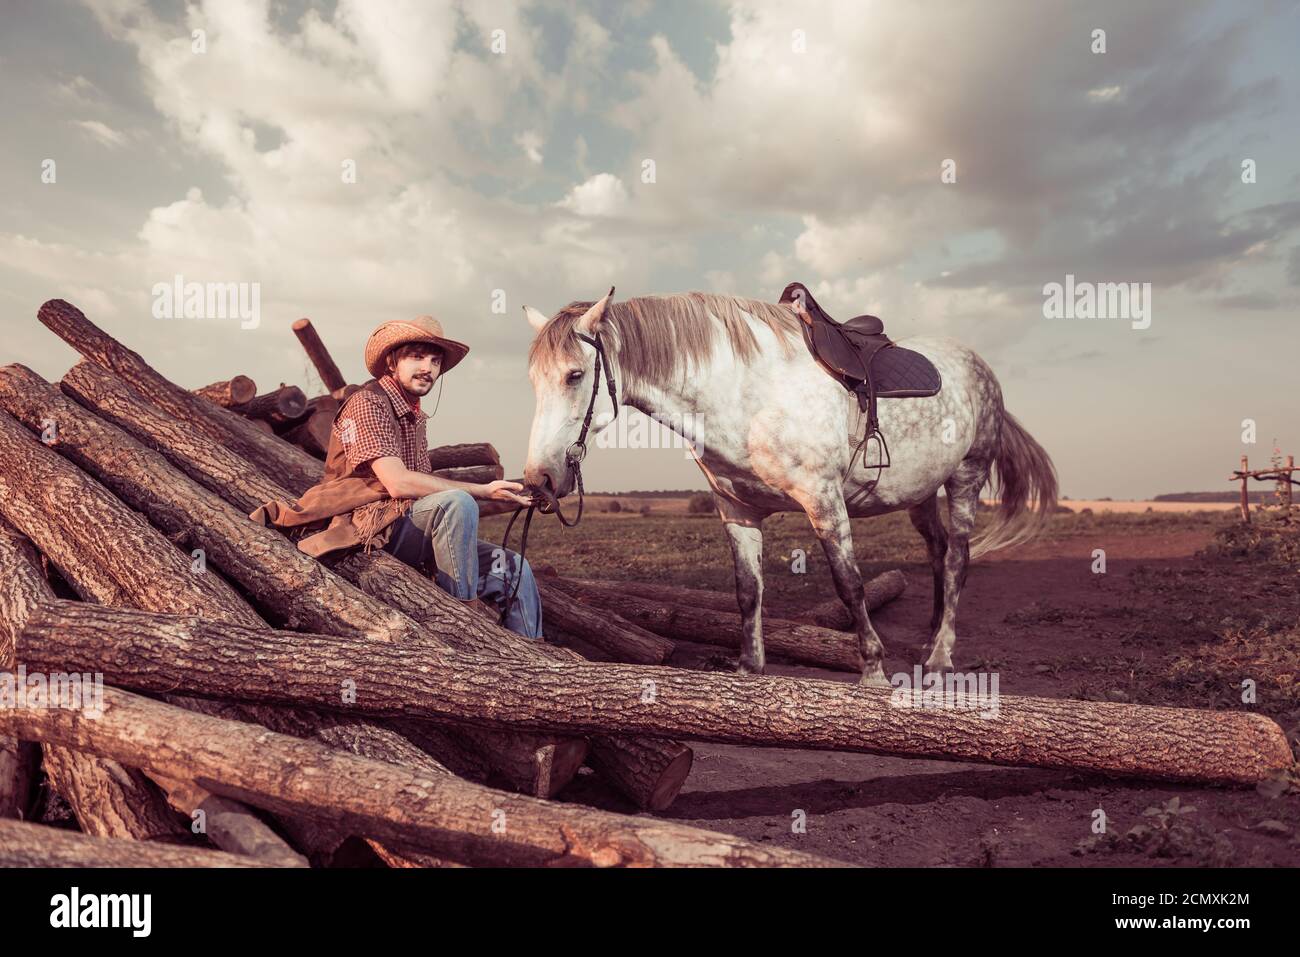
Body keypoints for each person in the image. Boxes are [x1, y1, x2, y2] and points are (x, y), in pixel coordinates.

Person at [249, 315, 542, 638]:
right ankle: (464, 625)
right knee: (456, 503)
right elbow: (397, 482)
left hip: (405, 520)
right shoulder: (367, 403)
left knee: (514, 569)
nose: (427, 368)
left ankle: (535, 664)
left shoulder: (414, 415)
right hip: (370, 524)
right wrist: (483, 490)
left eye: (434, 360)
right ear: (392, 362)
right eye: (416, 357)